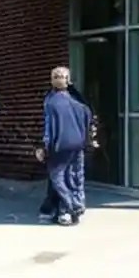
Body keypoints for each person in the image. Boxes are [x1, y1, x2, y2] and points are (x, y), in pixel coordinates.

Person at [35, 66, 92, 226]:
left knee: (62, 178)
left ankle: (70, 208)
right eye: (56, 76)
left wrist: (44, 146)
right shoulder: (73, 99)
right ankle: (61, 208)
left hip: (63, 144)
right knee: (70, 177)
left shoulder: (53, 101)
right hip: (72, 144)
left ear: (68, 79)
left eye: (61, 76)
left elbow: (48, 126)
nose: (58, 79)